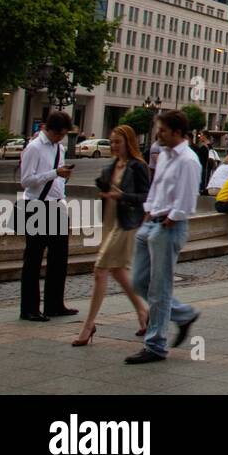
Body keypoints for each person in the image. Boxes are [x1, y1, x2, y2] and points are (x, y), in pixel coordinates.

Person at [126, 109, 201, 364]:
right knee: (138, 280)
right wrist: (149, 210)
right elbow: (157, 186)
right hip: (152, 220)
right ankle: (183, 314)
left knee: (160, 287)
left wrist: (173, 217)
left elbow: (189, 197)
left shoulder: (188, 160)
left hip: (169, 225)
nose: (158, 134)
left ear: (177, 132)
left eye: (163, 130)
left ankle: (155, 345)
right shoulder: (165, 155)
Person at [73, 125, 151, 346]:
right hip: (109, 220)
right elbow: (107, 189)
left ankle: (89, 325)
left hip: (125, 223)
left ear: (129, 142)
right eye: (112, 142)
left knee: (100, 270)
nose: (114, 146)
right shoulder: (112, 166)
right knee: (117, 271)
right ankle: (143, 312)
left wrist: (122, 196)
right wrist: (105, 190)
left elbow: (146, 197)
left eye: (118, 142)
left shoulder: (138, 166)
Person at [18, 110, 78, 322]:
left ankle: (54, 304)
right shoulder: (34, 147)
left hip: (56, 205)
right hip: (36, 205)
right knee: (33, 259)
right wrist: (54, 174)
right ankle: (29, 309)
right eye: (61, 134)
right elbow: (26, 180)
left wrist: (62, 182)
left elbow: (58, 178)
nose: (62, 138)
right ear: (52, 130)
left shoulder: (58, 148)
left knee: (59, 258)